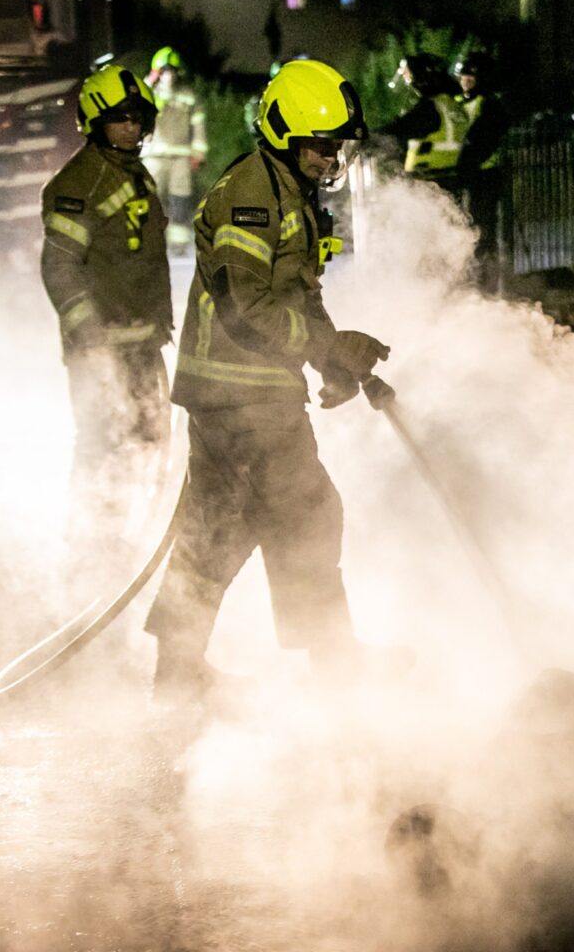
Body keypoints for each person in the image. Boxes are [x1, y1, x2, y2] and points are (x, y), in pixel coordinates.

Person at [144, 59, 397, 703]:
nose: (329, 157)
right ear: (284, 131)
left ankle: (176, 672)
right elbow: (245, 307)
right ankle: (336, 668)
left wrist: (332, 360)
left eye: (335, 145)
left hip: (237, 392)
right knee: (309, 512)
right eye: (319, 145)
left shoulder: (288, 190)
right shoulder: (254, 193)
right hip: (243, 392)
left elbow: (299, 298)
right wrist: (324, 346)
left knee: (216, 528)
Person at [39, 64, 172, 573]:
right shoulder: (77, 183)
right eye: (121, 119)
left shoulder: (132, 172)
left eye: (139, 118)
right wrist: (90, 340)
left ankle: (121, 545)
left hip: (141, 345)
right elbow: (59, 266)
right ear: (96, 121)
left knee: (144, 443)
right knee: (101, 448)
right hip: (101, 351)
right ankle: (87, 554)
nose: (133, 128)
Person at [452, 52, 512, 291]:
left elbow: (488, 138)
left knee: (483, 231)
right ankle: (467, 280)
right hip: (460, 173)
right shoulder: (455, 102)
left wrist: (472, 158)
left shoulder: (489, 104)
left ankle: (485, 284)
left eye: (471, 76)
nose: (465, 79)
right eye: (463, 75)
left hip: (484, 176)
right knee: (460, 228)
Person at [143, 46, 208, 254]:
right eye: (164, 71)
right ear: (157, 72)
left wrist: (199, 152)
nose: (169, 75)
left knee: (180, 200)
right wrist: (148, 82)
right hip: (153, 157)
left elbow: (198, 126)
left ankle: (178, 244)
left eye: (172, 71)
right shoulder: (149, 94)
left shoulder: (188, 95)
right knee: (151, 200)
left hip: (181, 158)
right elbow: (137, 103)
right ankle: (150, 242)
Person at [379, 53, 466, 182]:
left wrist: (363, 138)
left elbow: (398, 129)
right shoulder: (452, 105)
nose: (411, 84)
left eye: (411, 78)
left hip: (430, 177)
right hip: (451, 174)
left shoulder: (431, 107)